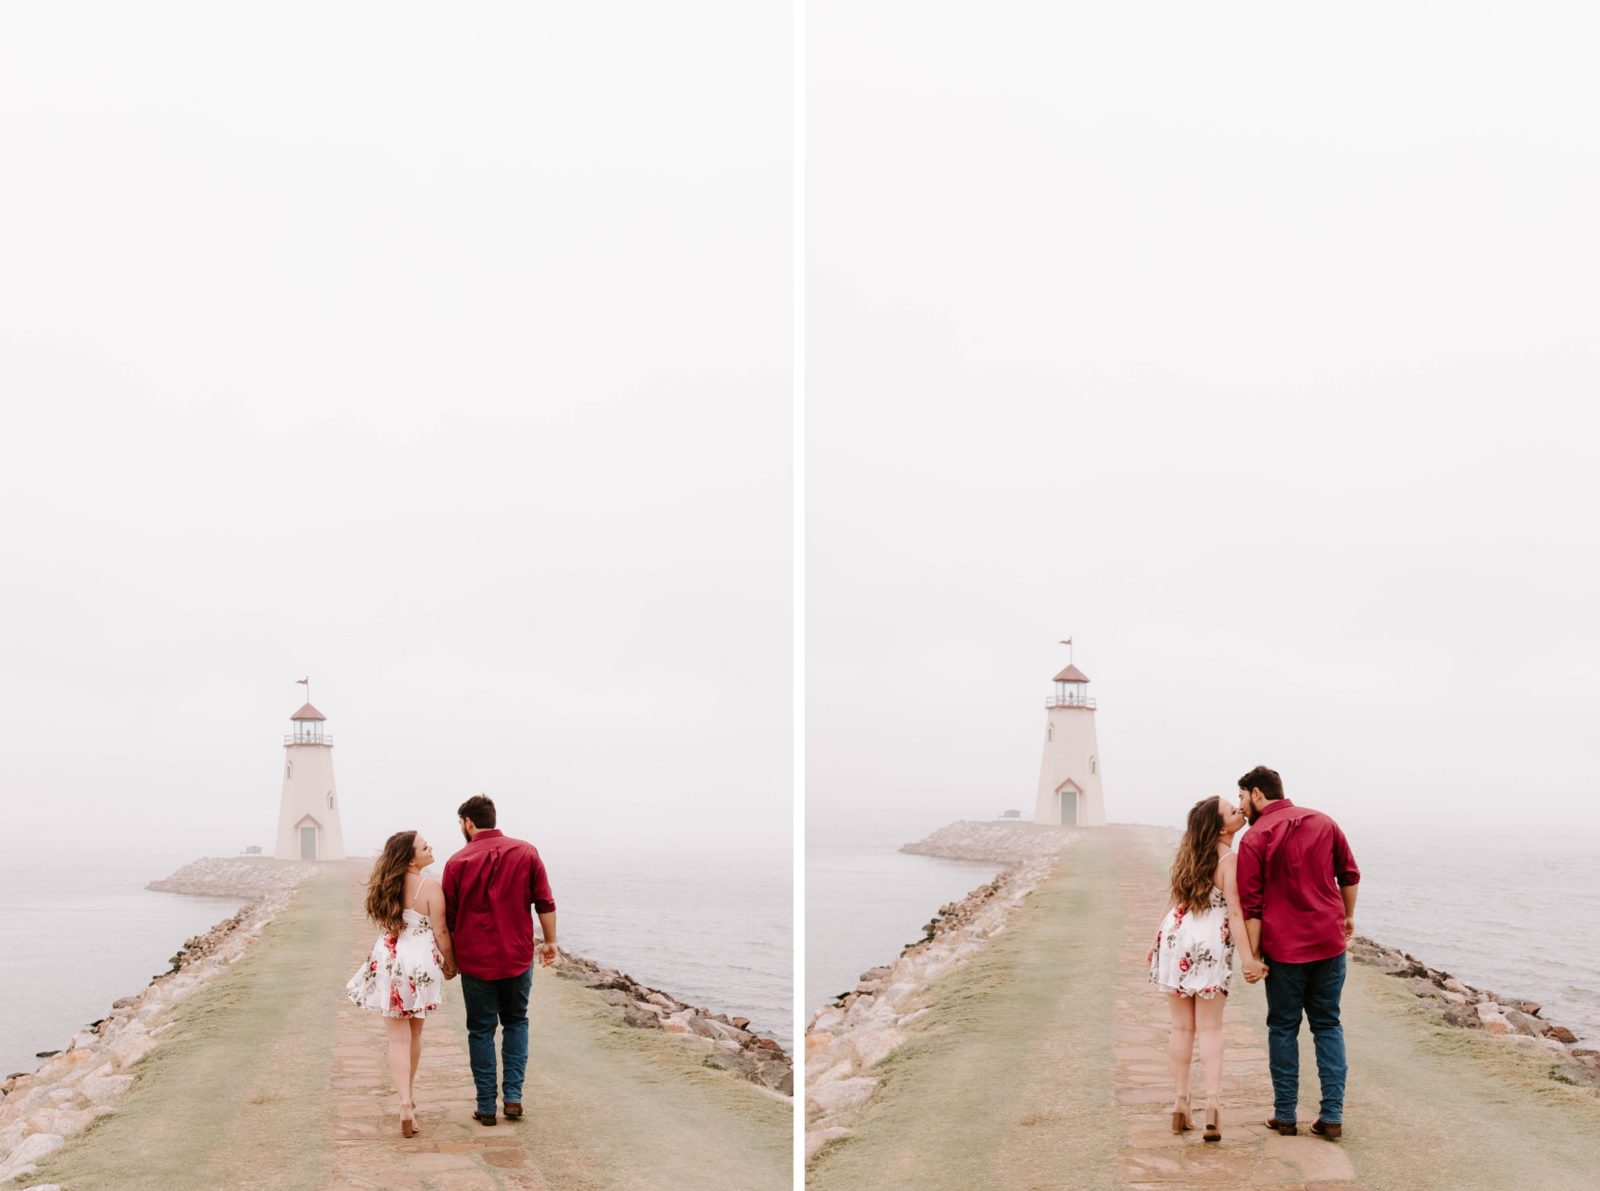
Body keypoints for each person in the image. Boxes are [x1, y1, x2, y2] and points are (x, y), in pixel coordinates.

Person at [1235, 764, 1361, 1141]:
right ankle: (1332, 1116)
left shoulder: (1255, 838)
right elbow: (1349, 875)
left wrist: (1254, 956)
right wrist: (1348, 916)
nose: (1241, 807)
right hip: (1327, 943)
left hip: (1284, 951)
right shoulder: (1323, 821)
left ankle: (1285, 1115)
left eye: (1242, 797)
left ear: (1258, 794)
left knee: (1283, 1028)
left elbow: (1252, 907)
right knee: (1327, 1024)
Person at [1149, 795, 1269, 1141]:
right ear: (1220, 828)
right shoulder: (1230, 859)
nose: (1239, 812)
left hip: (1175, 937)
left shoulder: (1188, 854)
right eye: (1232, 811)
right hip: (1207, 942)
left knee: (1181, 1028)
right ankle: (1213, 1105)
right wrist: (1248, 958)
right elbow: (1234, 912)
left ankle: (1180, 1103)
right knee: (1211, 1029)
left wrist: (1154, 942)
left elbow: (1173, 900)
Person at [441, 794, 558, 1126]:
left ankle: (486, 1106)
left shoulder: (457, 863)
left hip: (476, 962)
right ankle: (513, 1097)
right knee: (516, 1021)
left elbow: (448, 919)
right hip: (517, 957)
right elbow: (545, 903)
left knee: (480, 1029)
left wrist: (450, 961)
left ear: (468, 823)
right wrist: (550, 942)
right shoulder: (526, 851)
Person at [345, 830, 456, 1138]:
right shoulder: (430, 887)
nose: (430, 847)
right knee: (415, 1032)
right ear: (410, 858)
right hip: (420, 962)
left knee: (396, 1038)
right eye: (424, 846)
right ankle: (409, 1097)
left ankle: (405, 1102)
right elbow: (442, 933)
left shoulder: (387, 886)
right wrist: (452, 963)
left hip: (390, 959)